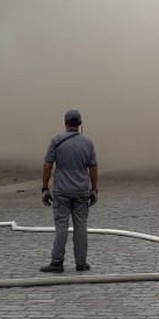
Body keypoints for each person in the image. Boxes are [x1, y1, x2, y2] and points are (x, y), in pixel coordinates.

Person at [40, 109, 99, 273]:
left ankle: (57, 262)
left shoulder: (57, 140)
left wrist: (45, 188)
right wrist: (94, 189)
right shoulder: (88, 143)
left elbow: (47, 165)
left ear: (65, 123)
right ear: (80, 124)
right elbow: (93, 167)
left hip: (62, 190)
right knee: (81, 226)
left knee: (61, 226)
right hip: (81, 190)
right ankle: (81, 263)